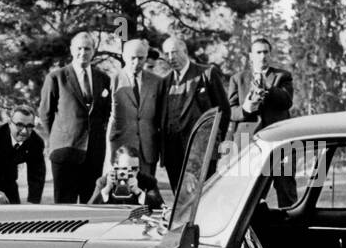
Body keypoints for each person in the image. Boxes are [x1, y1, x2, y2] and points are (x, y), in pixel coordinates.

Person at [38, 31, 113, 203]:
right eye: (79, 48)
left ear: (93, 51)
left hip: (94, 153)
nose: (83, 52)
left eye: (87, 48)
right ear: (72, 50)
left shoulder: (103, 79)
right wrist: (60, 137)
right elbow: (45, 113)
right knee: (65, 208)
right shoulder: (56, 77)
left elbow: (107, 113)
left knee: (91, 205)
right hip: (65, 153)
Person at [227, 36, 296, 205]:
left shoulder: (283, 76)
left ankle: (291, 229)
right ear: (251, 55)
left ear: (270, 54)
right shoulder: (238, 79)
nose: (262, 56)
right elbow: (230, 110)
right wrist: (245, 109)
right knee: (249, 193)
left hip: (279, 141)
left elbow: (287, 101)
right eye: (258, 52)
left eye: (266, 52)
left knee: (285, 188)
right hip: (248, 143)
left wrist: (268, 89)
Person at [160, 35, 229, 191]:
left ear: (185, 51)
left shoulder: (207, 74)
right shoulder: (164, 82)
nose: (171, 58)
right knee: (180, 204)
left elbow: (224, 112)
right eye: (167, 54)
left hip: (201, 154)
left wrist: (213, 143)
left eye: (174, 52)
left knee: (204, 200)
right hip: (173, 155)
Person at [107, 38, 165, 178]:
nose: (136, 62)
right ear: (124, 56)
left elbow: (161, 118)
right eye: (132, 58)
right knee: (122, 193)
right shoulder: (112, 80)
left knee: (146, 193)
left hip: (148, 150)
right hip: (121, 148)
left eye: (141, 58)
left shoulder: (157, 82)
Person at [0, 107, 45, 205]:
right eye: (19, 125)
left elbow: (37, 175)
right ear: (10, 123)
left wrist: (32, 202)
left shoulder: (36, 142)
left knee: (16, 216)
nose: (24, 131)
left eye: (29, 126)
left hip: (9, 183)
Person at [89, 145, 165, 209]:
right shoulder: (104, 182)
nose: (130, 173)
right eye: (125, 168)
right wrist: (106, 190)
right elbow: (88, 209)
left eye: (134, 169)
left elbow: (161, 208)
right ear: (115, 167)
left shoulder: (148, 182)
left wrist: (138, 192)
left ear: (138, 169)